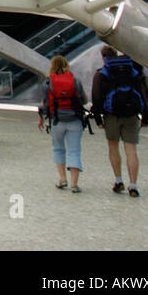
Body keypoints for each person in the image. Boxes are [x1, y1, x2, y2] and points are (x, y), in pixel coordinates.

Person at [91, 45, 148, 197]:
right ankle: (133, 185)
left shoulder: (101, 74)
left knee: (113, 147)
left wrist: (98, 119)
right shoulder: (133, 72)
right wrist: (145, 116)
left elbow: (96, 98)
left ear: (103, 57)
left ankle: (118, 181)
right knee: (131, 149)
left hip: (111, 116)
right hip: (131, 115)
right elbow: (143, 95)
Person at [37, 55, 88, 192]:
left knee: (58, 149)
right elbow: (83, 101)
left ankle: (62, 179)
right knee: (74, 150)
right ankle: (74, 184)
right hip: (75, 120)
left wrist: (41, 118)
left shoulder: (48, 83)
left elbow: (45, 104)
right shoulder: (75, 82)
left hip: (57, 120)